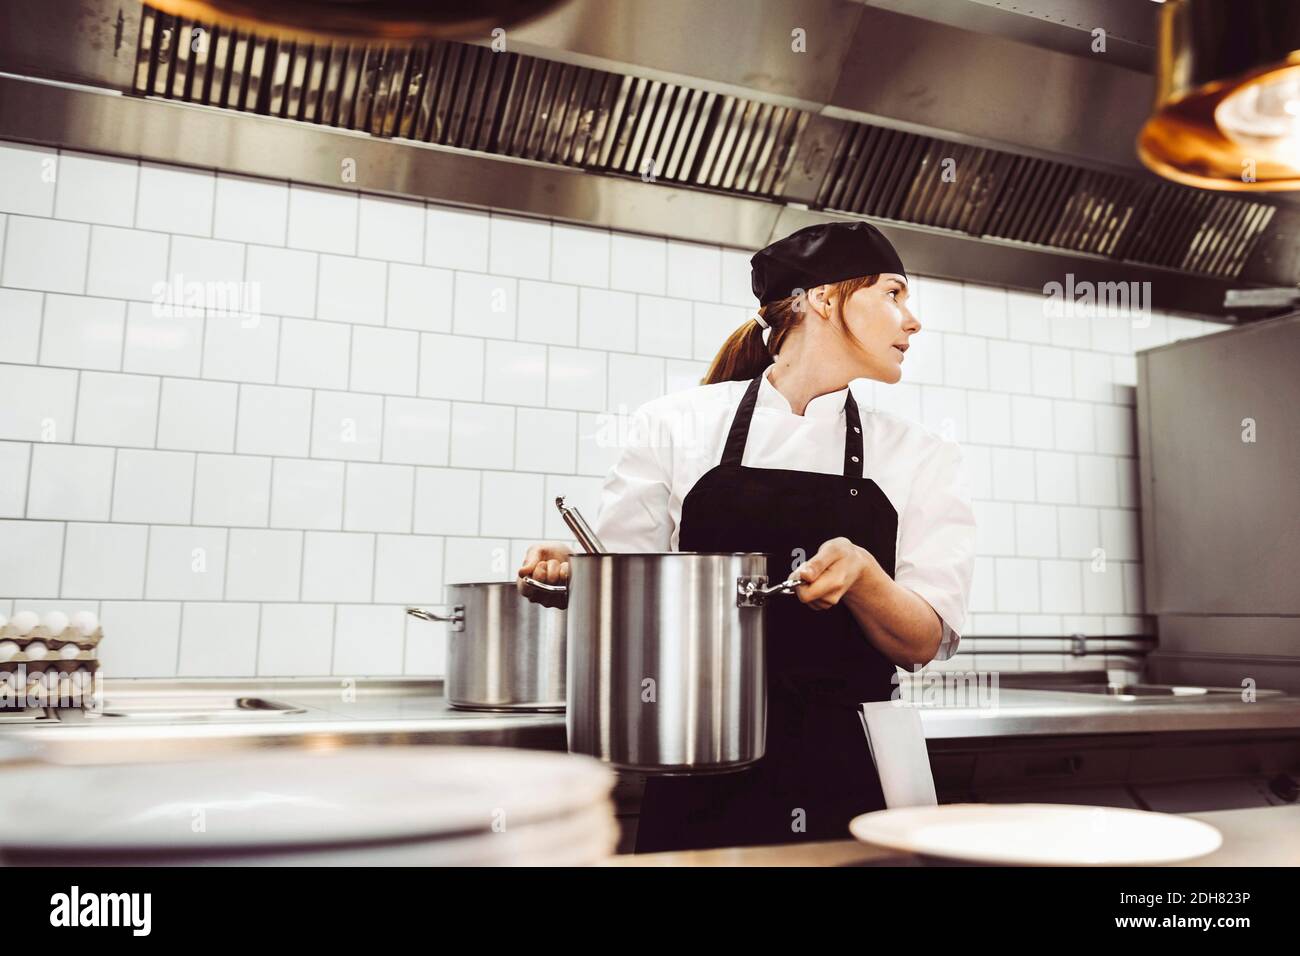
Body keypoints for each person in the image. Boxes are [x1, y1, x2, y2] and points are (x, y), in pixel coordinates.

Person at [518, 220, 976, 853]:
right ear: (824, 297)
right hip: (701, 750)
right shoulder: (674, 425)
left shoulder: (920, 455)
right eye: (894, 294)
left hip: (854, 759)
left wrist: (865, 575)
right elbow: (630, 587)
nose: (912, 320)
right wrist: (579, 575)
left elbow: (921, 641)